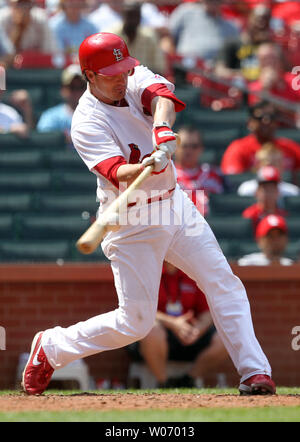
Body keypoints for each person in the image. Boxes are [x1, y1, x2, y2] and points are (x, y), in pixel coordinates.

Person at [22, 32, 276, 397]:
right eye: (111, 73)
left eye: (123, 68)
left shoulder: (131, 74)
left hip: (174, 205)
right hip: (130, 218)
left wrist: (161, 128)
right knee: (135, 323)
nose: (121, 77)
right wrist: (145, 164)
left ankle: (255, 372)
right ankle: (51, 346)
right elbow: (117, 173)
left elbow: (161, 97)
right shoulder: (85, 121)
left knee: (223, 281)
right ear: (89, 76)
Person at [127, 262, 229, 388]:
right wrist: (173, 324)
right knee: (152, 330)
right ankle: (163, 383)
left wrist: (197, 330)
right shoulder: (147, 273)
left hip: (188, 334)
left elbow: (207, 312)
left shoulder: (192, 274)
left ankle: (189, 380)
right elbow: (140, 310)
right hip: (158, 334)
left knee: (226, 338)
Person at [221, 101, 300, 175]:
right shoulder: (238, 148)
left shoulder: (290, 148)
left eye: (271, 117)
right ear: (250, 122)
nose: (266, 121)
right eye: (260, 118)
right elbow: (233, 180)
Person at [174, 125, 226, 216]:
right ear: (175, 147)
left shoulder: (214, 174)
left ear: (201, 148)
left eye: (194, 146)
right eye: (184, 146)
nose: (189, 150)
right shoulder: (167, 174)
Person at [106, 0, 167, 75]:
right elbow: (107, 68)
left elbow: (159, 68)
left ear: (140, 16)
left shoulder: (149, 36)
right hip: (118, 81)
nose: (133, 20)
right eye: (129, 15)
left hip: (145, 82)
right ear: (123, 15)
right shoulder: (112, 36)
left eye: (136, 16)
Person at [215, 4, 272, 82]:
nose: (261, 24)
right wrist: (246, 75)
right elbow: (220, 71)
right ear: (249, 18)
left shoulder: (270, 47)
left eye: (266, 20)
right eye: (258, 19)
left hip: (260, 90)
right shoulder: (232, 43)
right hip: (237, 89)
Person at [168, 0, 239, 63]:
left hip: (213, 73)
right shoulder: (186, 11)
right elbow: (167, 37)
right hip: (184, 66)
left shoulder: (231, 27)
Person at [36, 64, 86, 145]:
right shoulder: (50, 116)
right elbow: (43, 141)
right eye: (72, 87)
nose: (76, 92)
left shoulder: (96, 115)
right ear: (63, 89)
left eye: (81, 87)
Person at [242, 165, 287, 233]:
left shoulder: (284, 215)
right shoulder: (249, 215)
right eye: (264, 189)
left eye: (271, 189)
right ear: (256, 192)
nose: (268, 193)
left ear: (278, 192)